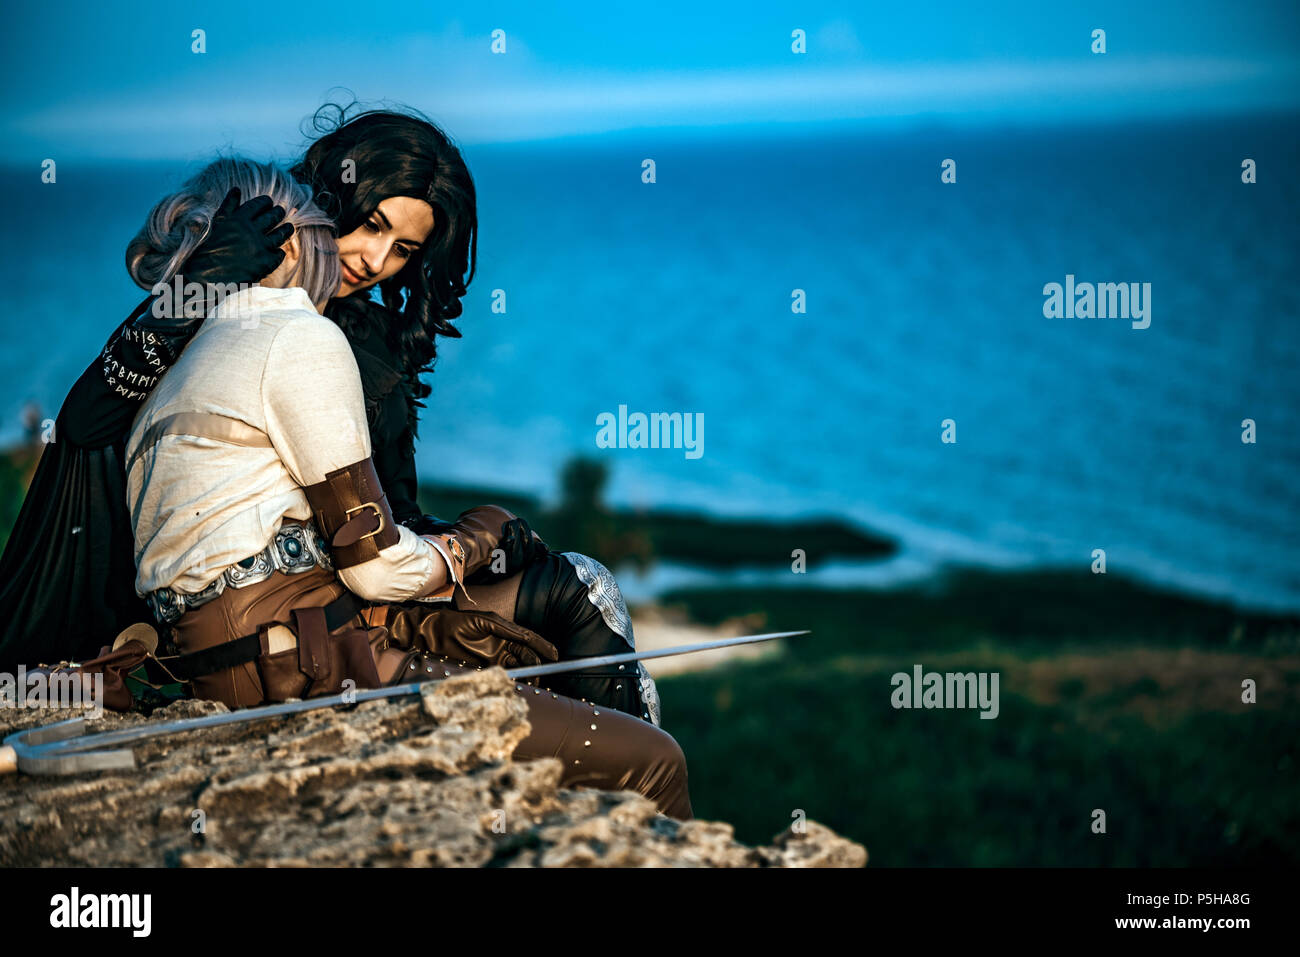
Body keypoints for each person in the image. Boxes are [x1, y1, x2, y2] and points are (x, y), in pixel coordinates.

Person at [0, 102, 661, 727]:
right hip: (278, 620)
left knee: (573, 582)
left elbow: (389, 513)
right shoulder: (232, 300)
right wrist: (193, 288)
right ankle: (629, 779)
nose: (375, 261)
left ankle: (613, 787)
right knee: (582, 590)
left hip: (366, 577)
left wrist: (475, 542)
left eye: (403, 249)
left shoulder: (370, 345)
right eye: (373, 224)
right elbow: (86, 420)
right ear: (332, 197)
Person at [121, 157, 691, 818]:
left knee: (561, 617)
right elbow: (373, 568)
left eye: (404, 248)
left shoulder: (168, 379)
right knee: (655, 760)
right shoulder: (296, 333)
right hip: (307, 673)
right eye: (320, 225)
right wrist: (475, 539)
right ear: (286, 235)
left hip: (236, 662)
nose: (348, 254)